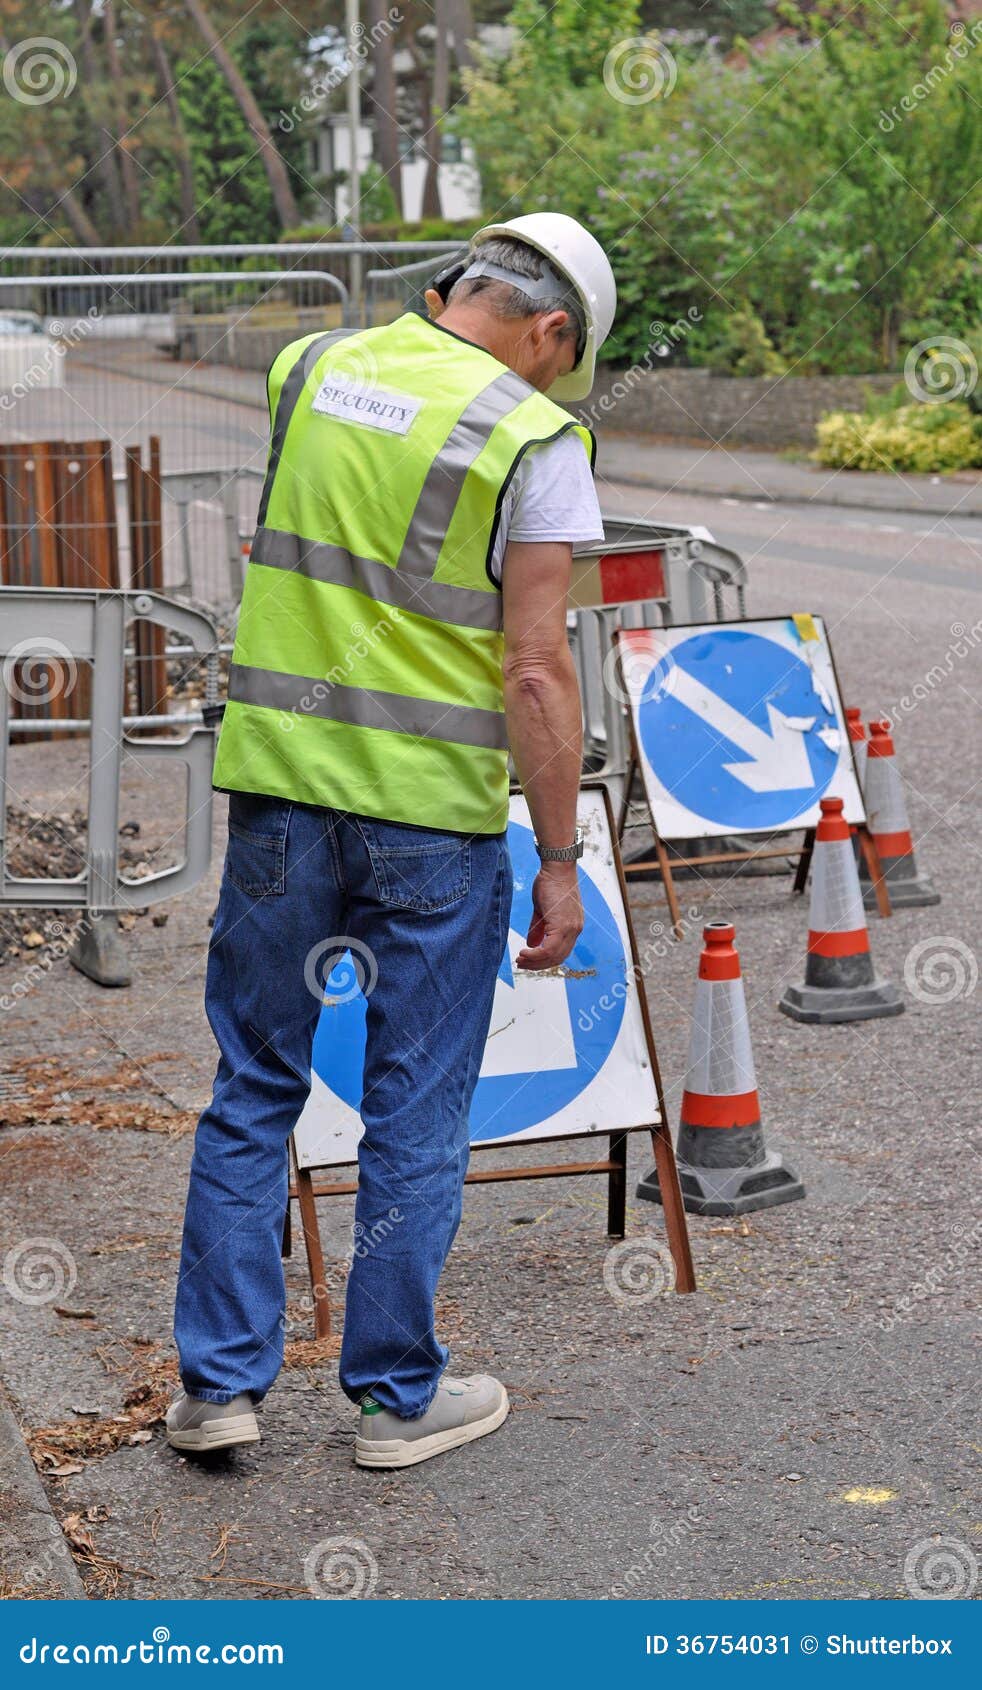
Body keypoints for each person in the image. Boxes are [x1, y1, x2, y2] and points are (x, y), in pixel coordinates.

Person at [166, 213, 617, 1469]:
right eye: (554, 360)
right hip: (428, 823)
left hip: (279, 798)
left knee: (252, 1085)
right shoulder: (537, 437)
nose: (545, 379)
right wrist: (563, 856)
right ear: (550, 330)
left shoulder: (305, 369)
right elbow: (534, 668)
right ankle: (394, 1401)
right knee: (415, 1109)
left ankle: (218, 1389)